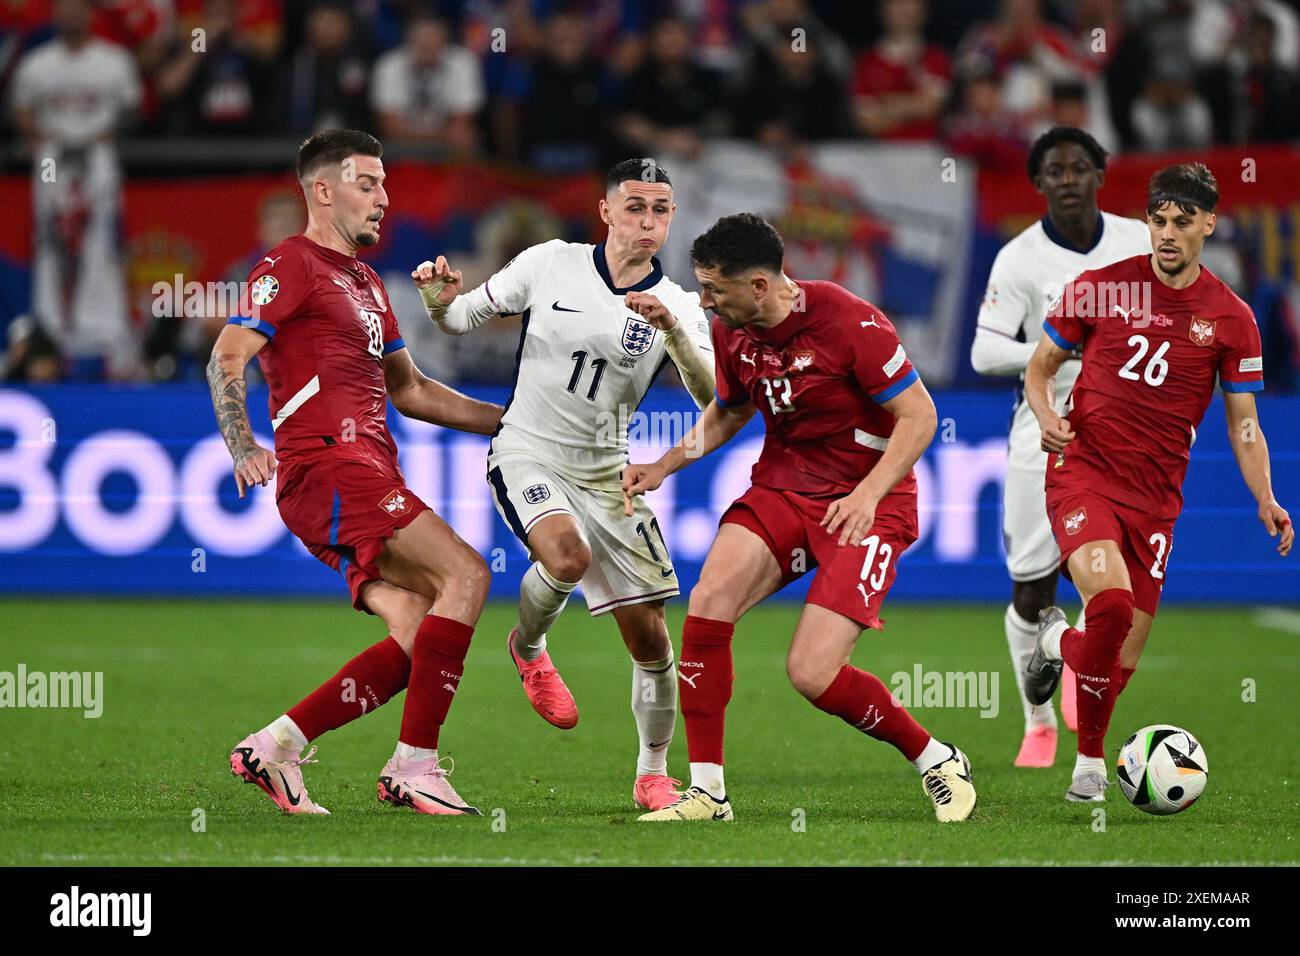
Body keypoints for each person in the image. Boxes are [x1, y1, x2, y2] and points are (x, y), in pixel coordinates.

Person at [624, 213, 977, 823]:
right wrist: (664, 465)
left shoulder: (850, 321)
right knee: (708, 601)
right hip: (785, 488)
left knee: (811, 673)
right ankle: (708, 793)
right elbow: (729, 412)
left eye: (715, 289)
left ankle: (936, 758)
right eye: (701, 288)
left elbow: (920, 417)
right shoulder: (731, 331)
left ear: (759, 285)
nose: (705, 301)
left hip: (868, 504)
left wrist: (867, 495)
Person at [209, 129, 502, 817]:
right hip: (330, 468)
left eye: (384, 185)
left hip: (361, 469)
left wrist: (512, 421)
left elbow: (414, 391)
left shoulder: (368, 282)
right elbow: (227, 356)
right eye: (367, 184)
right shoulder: (291, 264)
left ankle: (277, 745)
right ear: (321, 190)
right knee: (467, 574)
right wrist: (241, 444)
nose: (383, 199)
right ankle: (415, 766)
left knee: (416, 628)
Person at [412, 158, 716, 812]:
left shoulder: (681, 304)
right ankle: (528, 646)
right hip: (528, 449)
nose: (648, 221)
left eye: (661, 210)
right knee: (566, 557)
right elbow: (461, 318)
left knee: (653, 640)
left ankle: (653, 772)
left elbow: (710, 393)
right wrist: (438, 303)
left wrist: (675, 338)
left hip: (608, 470)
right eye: (635, 206)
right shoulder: (550, 261)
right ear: (605, 211)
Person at [1023, 162, 1293, 802]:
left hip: (1155, 502)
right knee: (1111, 604)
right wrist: (1044, 415)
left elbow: (1244, 424)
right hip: (1082, 473)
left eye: (1181, 222)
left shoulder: (1233, 320)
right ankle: (1089, 769)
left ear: (1209, 224)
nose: (1166, 233)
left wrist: (1265, 495)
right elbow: (1040, 370)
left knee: (1118, 662)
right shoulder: (1098, 289)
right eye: (1157, 220)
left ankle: (1059, 639)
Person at [969, 127, 1150, 768]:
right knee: (1031, 590)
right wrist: (1057, 349)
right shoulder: (1020, 258)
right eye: (1055, 170)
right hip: (1045, 430)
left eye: (1079, 166)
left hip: (1129, 433)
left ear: (1101, 172)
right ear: (1039, 183)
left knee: (1112, 586)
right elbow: (984, 350)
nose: (1068, 178)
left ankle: (1077, 670)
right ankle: (1037, 720)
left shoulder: (1138, 241)